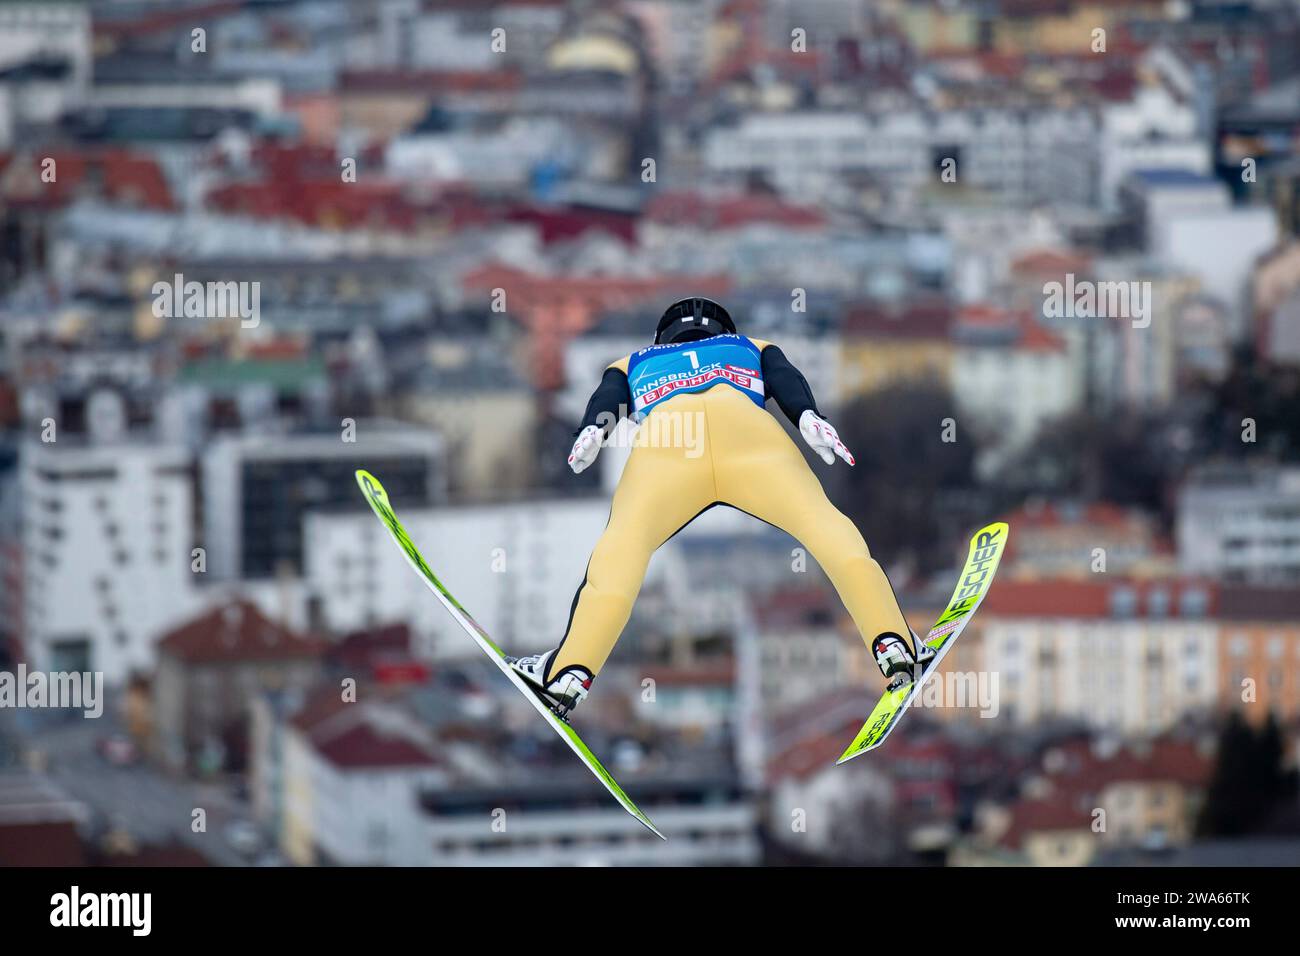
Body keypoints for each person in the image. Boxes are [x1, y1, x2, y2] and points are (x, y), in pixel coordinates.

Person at [508, 296, 926, 718]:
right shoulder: (751, 346)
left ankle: (569, 673)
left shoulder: (633, 360)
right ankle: (893, 642)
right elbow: (785, 379)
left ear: (662, 336)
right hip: (749, 439)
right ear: (724, 330)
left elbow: (608, 396)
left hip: (669, 444)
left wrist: (593, 431)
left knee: (619, 556)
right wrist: (808, 418)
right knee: (830, 533)